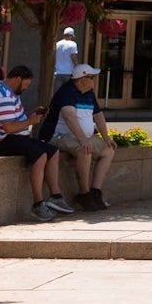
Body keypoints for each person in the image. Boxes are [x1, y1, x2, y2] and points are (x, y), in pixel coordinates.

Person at [0, 65, 73, 221]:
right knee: (40, 155)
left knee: (52, 151)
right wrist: (30, 121)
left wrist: (31, 114)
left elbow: (14, 119)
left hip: (14, 137)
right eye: (26, 84)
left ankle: (56, 196)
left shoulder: (9, 93)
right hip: (1, 140)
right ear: (18, 79)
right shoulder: (2, 96)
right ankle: (38, 204)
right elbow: (9, 127)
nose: (26, 88)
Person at [40, 64, 114, 211]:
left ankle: (95, 192)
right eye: (92, 77)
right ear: (82, 79)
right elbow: (69, 116)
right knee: (85, 149)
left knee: (109, 150)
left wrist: (106, 138)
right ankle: (84, 194)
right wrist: (83, 140)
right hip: (59, 136)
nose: (94, 81)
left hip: (81, 137)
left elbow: (98, 115)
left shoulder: (88, 93)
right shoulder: (67, 91)